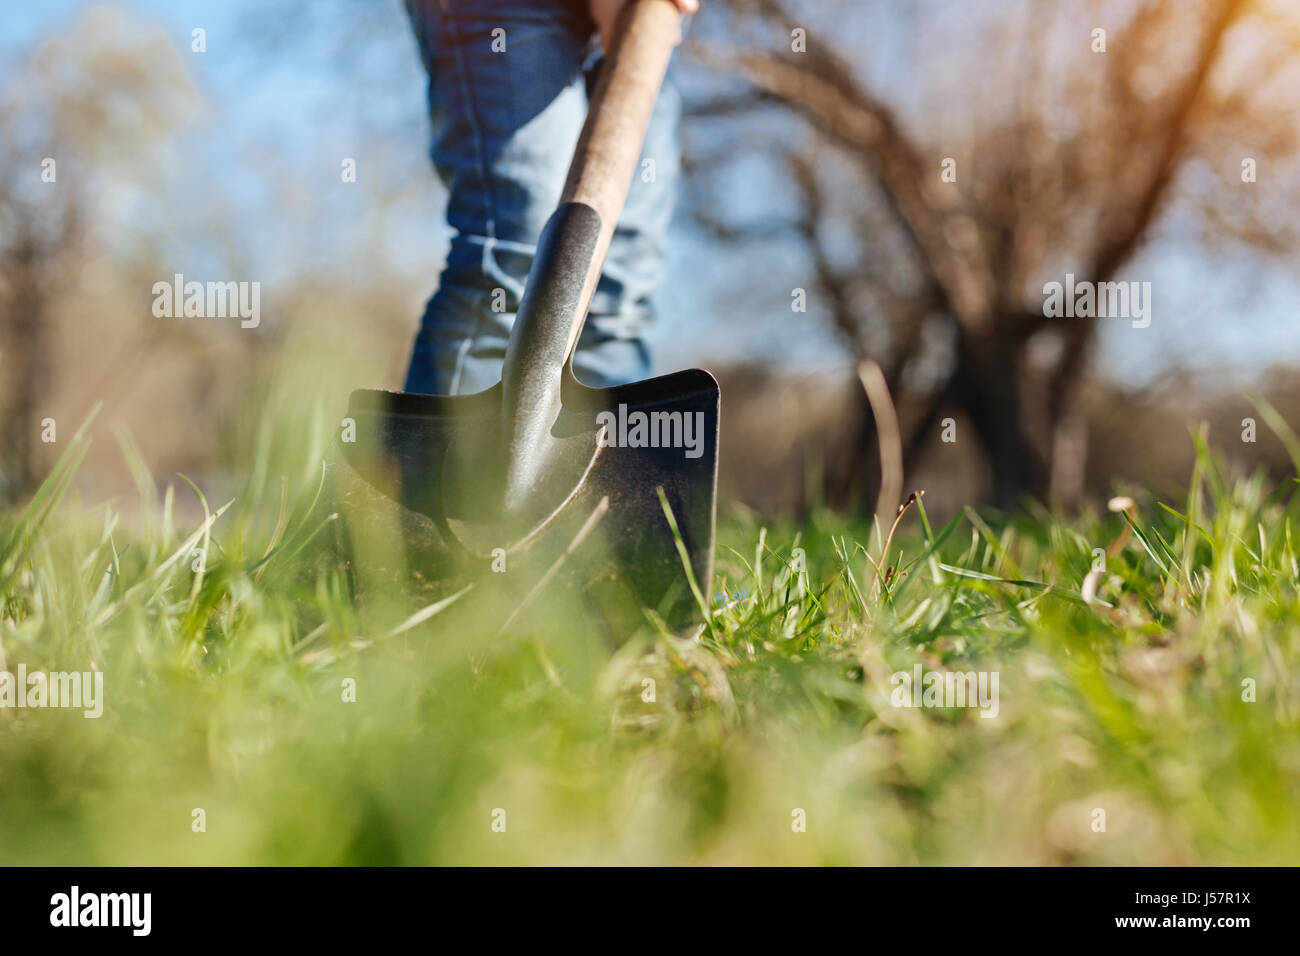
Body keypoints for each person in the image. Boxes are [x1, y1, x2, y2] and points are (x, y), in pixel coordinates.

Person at [401, 0, 699, 397]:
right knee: (514, 262)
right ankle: (456, 459)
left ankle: (587, 456)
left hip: (647, 16)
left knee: (620, 290)